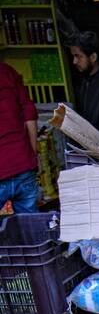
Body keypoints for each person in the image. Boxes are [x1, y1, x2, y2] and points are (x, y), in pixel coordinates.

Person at [0, 62, 40, 212]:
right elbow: (29, 112)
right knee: (31, 230)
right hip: (23, 164)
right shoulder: (7, 71)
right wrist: (32, 153)